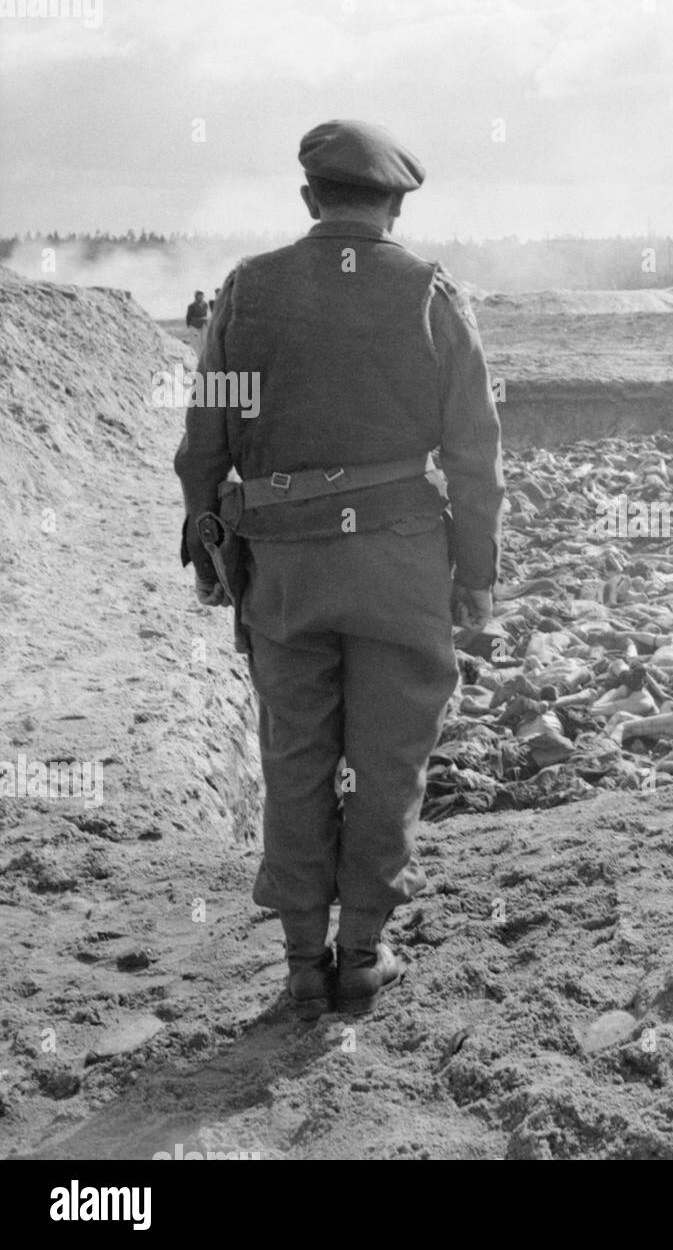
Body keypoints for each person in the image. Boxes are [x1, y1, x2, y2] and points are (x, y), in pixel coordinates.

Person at [174, 119, 505, 1019]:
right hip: (399, 567)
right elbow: (475, 451)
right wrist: (476, 570)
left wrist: (207, 545)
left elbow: (204, 438)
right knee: (389, 758)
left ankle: (297, 963)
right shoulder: (431, 296)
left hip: (284, 573)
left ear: (309, 199)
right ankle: (362, 953)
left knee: (296, 758)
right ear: (395, 206)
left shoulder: (247, 290)